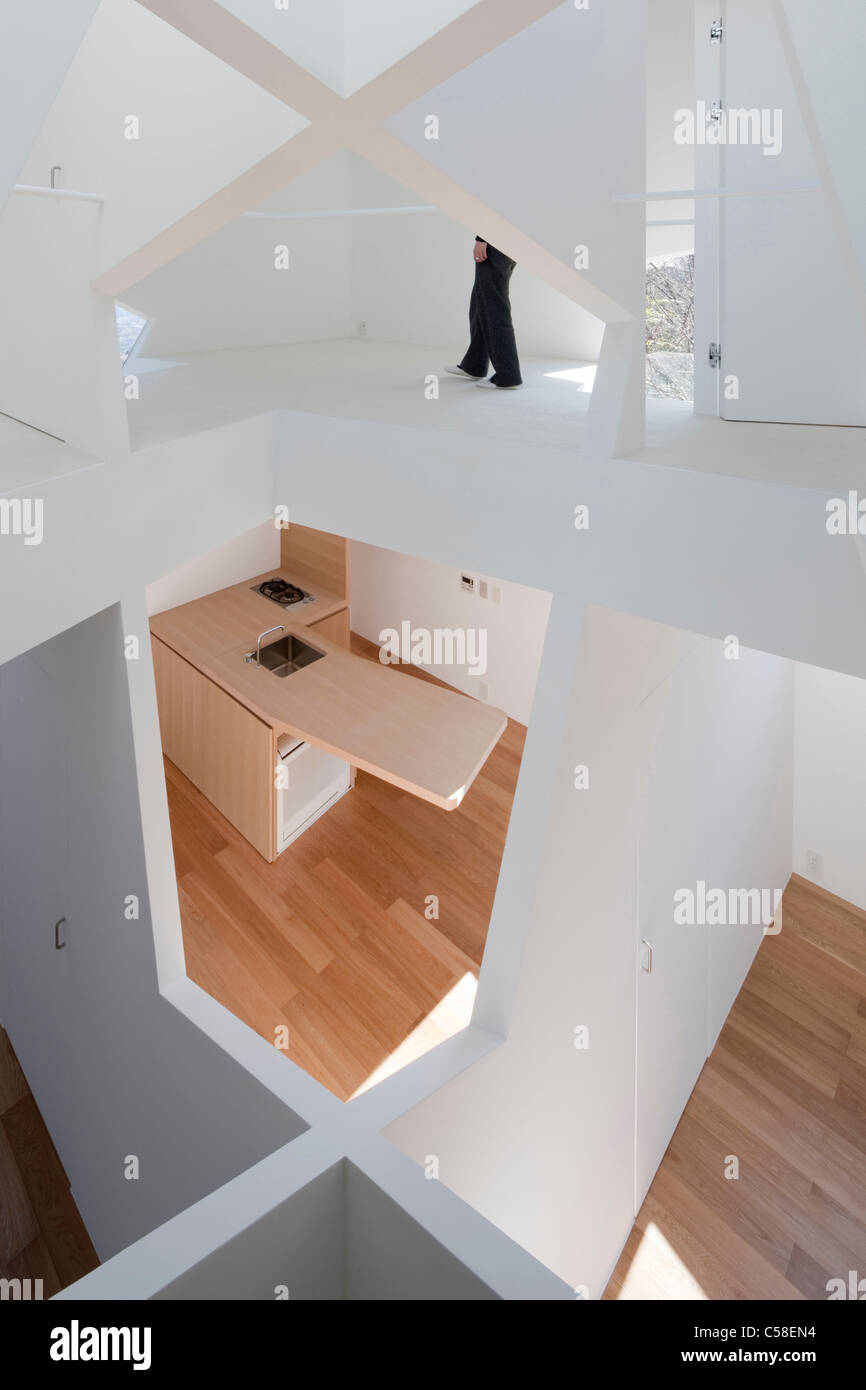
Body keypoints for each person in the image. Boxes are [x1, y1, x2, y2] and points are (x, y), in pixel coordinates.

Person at [445, 236, 523, 390]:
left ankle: (509, 376)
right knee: (481, 302)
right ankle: (474, 365)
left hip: (496, 242)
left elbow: (500, 211)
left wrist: (482, 238)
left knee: (494, 306)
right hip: (507, 241)